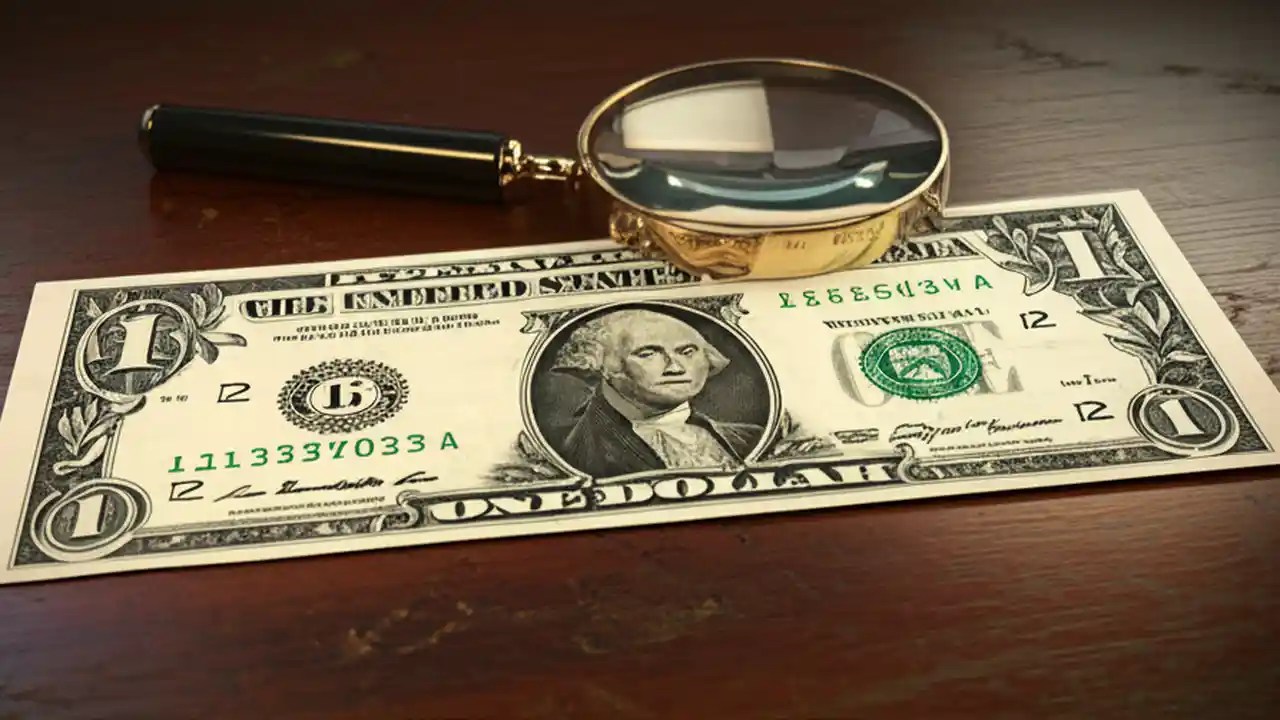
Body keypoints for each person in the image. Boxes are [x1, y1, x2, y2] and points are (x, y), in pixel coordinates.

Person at [548, 308, 764, 478]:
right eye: (648, 354)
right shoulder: (570, 454)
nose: (676, 368)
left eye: (687, 352)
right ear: (602, 365)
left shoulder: (750, 438)